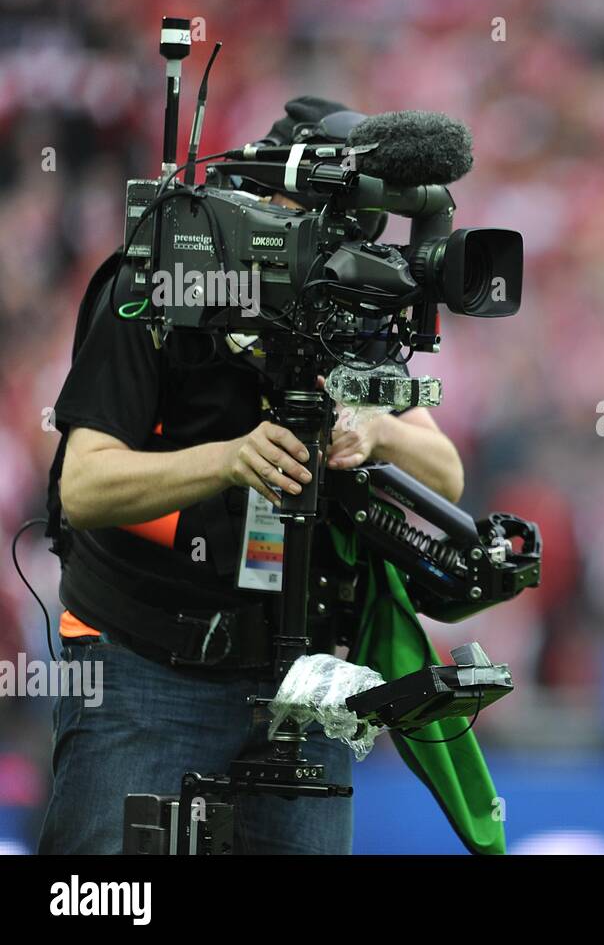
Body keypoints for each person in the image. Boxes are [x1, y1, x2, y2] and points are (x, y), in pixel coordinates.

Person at [37, 98, 464, 855]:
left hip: (307, 680)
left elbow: (448, 473)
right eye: (311, 218)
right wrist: (230, 459)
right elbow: (83, 485)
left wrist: (379, 428)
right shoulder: (159, 281)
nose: (331, 243)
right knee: (108, 900)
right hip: (145, 665)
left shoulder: (351, 304)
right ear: (262, 199)